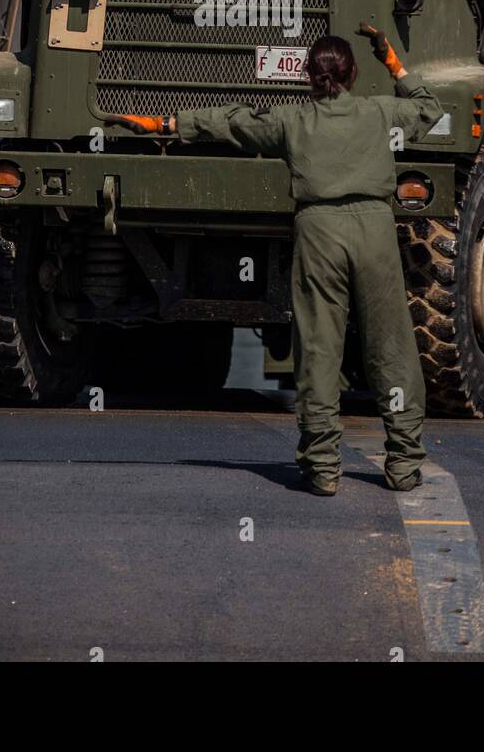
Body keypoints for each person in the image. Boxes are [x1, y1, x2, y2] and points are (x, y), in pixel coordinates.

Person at [103, 25, 443, 497]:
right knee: (390, 347)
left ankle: (323, 466)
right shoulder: (380, 112)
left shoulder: (292, 120)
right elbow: (430, 108)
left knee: (320, 349)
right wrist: (393, 62)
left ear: (308, 78)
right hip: (375, 231)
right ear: (353, 73)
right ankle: (404, 463)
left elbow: (232, 122)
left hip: (318, 231)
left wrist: (166, 124)